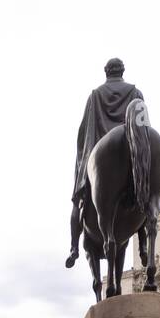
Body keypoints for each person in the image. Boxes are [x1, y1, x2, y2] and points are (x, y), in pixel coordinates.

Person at [66, 58, 145, 267]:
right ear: (122, 71)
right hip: (132, 151)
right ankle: (144, 241)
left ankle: (74, 247)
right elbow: (143, 129)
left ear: (106, 73)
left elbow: (85, 133)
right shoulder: (136, 93)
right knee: (150, 187)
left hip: (99, 159)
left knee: (77, 201)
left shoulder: (95, 96)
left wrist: (83, 167)